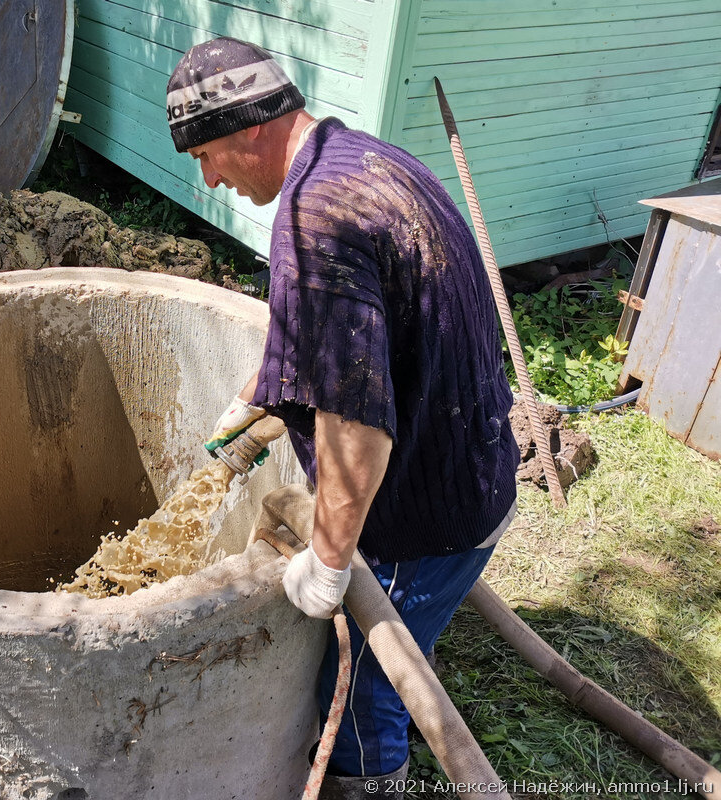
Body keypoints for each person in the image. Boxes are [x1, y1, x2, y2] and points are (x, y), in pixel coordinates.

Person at [169, 38, 520, 798]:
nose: (211, 178)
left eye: (208, 155)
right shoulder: (361, 160)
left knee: (360, 686)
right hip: (477, 460)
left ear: (251, 129)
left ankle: (368, 784)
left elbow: (356, 424)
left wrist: (330, 567)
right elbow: (349, 333)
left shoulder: (312, 225)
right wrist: (259, 395)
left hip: (424, 519)